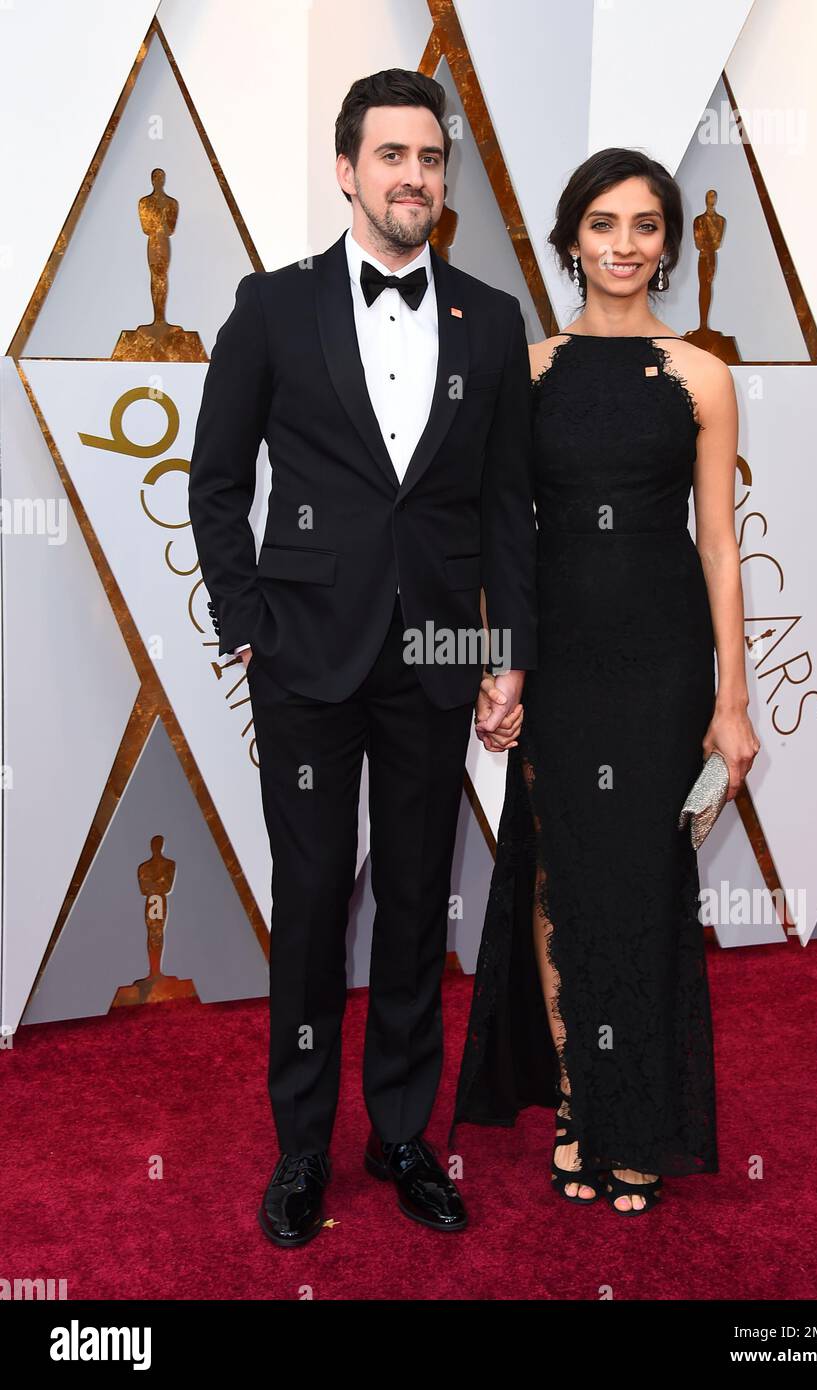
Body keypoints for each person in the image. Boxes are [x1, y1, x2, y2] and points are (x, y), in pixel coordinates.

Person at [188, 68, 537, 1246]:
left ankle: (401, 1136)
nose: (415, 178)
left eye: (431, 159)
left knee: (411, 905)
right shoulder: (272, 307)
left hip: (439, 652)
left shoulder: (489, 320)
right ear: (347, 170)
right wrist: (246, 621)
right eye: (392, 156)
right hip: (304, 654)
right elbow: (217, 479)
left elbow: (505, 508)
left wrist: (506, 653)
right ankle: (300, 1152)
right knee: (306, 902)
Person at [451, 149, 759, 1214]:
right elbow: (506, 542)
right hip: (565, 654)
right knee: (559, 875)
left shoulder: (702, 373)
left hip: (664, 655)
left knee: (646, 876)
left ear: (668, 244)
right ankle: (585, 1102)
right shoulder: (525, 371)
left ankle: (641, 1114)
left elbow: (719, 542)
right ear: (570, 240)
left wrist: (733, 696)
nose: (623, 245)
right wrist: (503, 665)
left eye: (644, 225)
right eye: (601, 224)